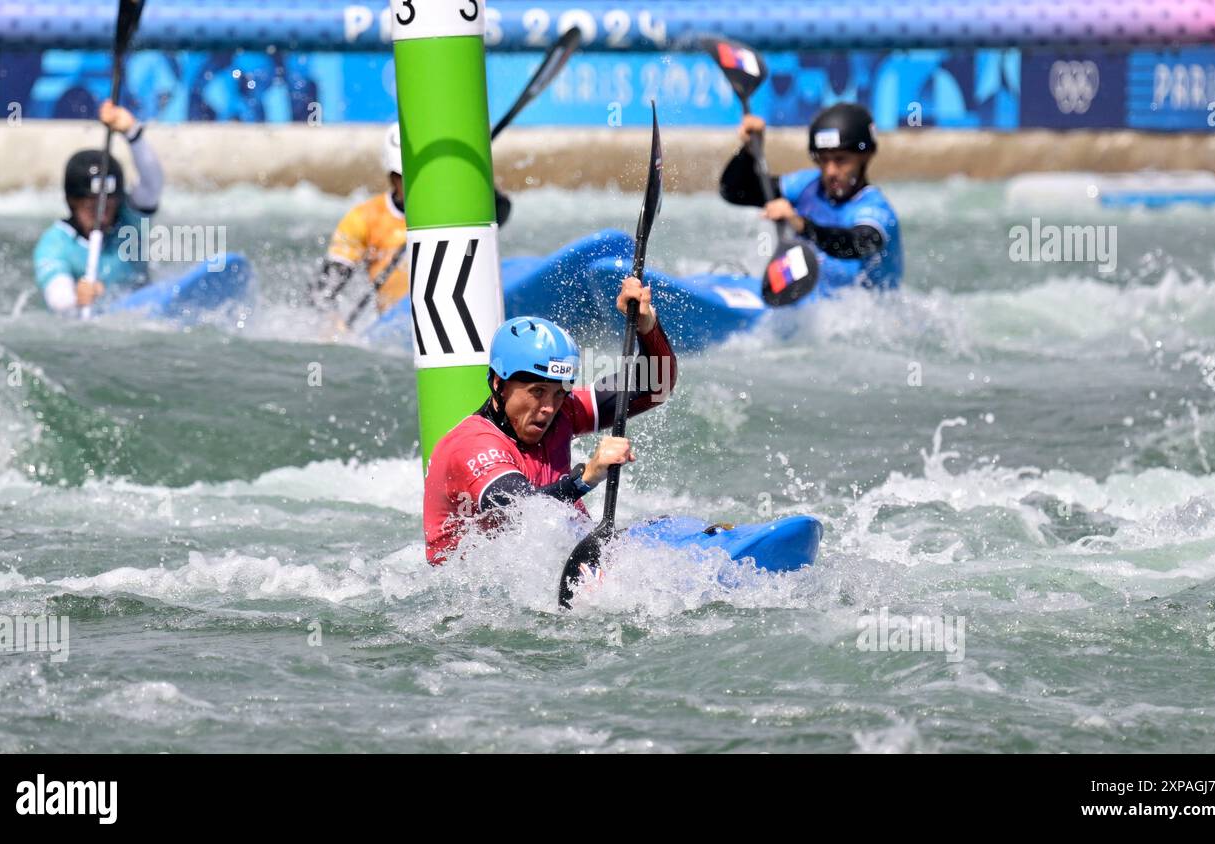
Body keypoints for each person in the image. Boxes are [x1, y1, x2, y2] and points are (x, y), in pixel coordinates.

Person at [423, 277, 677, 565]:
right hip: (477, 593)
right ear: (498, 382)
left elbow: (655, 388)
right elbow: (525, 508)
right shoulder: (471, 445)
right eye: (537, 392)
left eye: (559, 392)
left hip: (552, 566)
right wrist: (587, 476)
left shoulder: (561, 412)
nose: (549, 408)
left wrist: (647, 326)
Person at [310, 123, 512, 321]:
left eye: (422, 175)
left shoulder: (453, 207)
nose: (416, 183)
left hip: (451, 308)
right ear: (393, 177)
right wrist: (333, 324)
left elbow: (501, 209)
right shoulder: (363, 219)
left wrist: (467, 174)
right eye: (406, 176)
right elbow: (326, 288)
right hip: (394, 320)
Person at [720, 102, 903, 292]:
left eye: (841, 159)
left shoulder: (877, 210)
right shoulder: (808, 185)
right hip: (811, 300)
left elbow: (855, 245)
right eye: (823, 160)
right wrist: (749, 150)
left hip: (864, 314)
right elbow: (736, 192)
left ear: (865, 156)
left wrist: (802, 226)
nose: (831, 171)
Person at [33, 100, 164, 313]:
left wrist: (133, 134)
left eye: (109, 202)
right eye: (91, 204)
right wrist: (76, 298)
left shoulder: (129, 220)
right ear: (73, 201)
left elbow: (152, 185)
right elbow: (57, 295)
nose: (103, 211)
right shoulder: (54, 243)